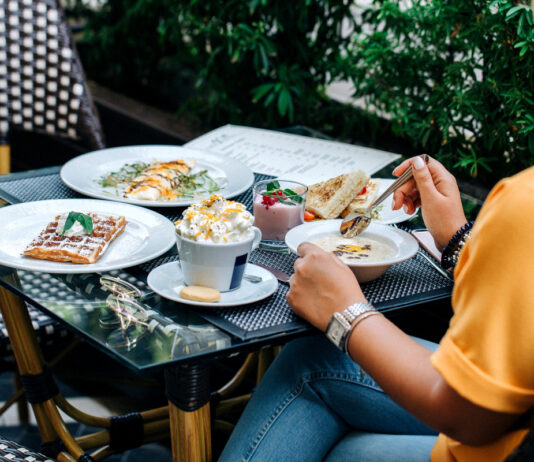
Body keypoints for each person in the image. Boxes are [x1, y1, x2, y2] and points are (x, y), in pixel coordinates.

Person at [219, 156, 534, 462]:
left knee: (315, 369)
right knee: (315, 365)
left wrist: (345, 313)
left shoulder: (524, 201)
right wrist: (458, 241)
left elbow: (466, 415)